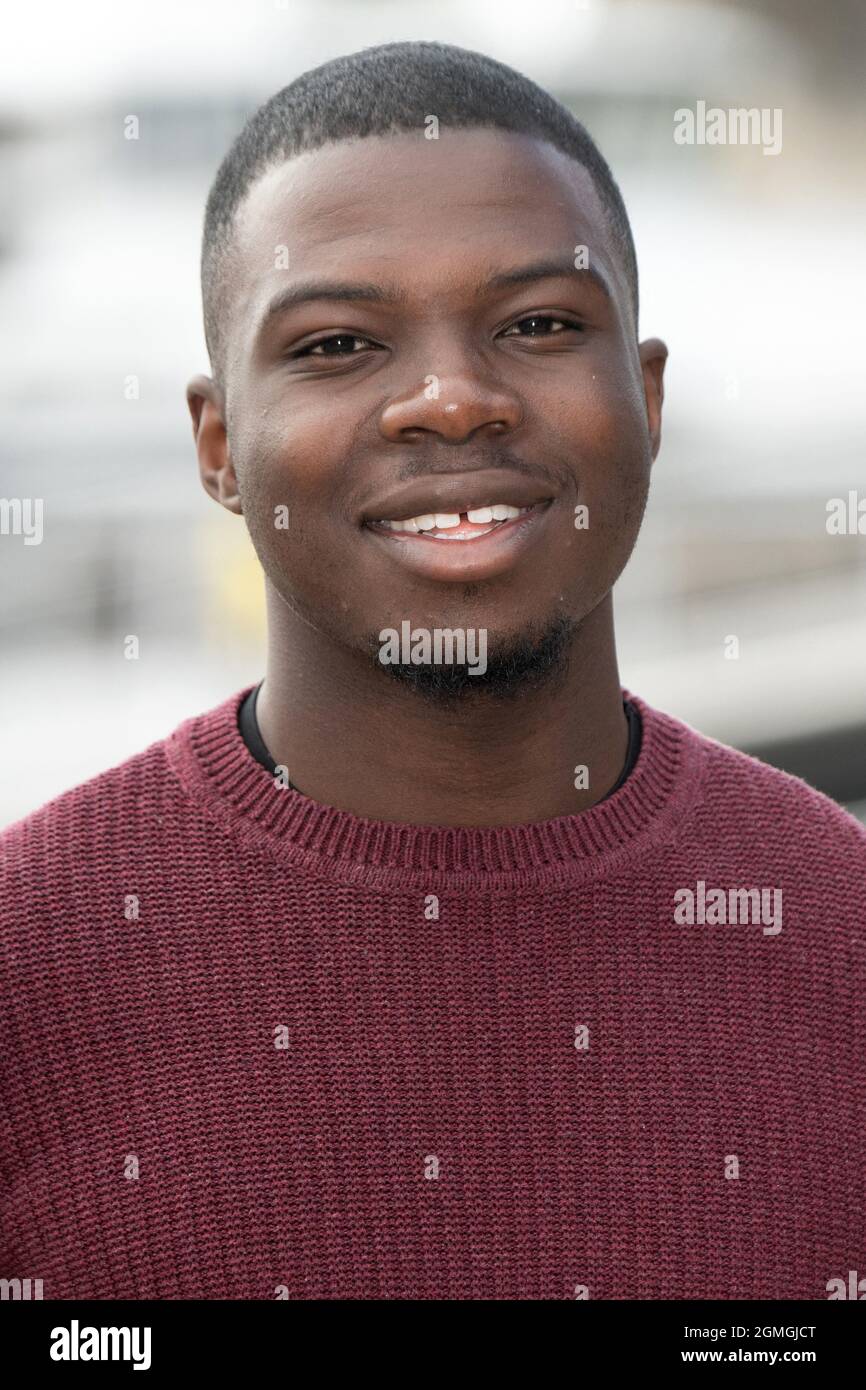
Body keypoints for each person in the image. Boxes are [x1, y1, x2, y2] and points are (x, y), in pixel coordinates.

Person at [1, 41, 863, 1302]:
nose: (452, 401)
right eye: (339, 344)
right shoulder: (29, 966)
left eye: (537, 324)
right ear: (219, 445)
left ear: (645, 396)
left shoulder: (839, 936)